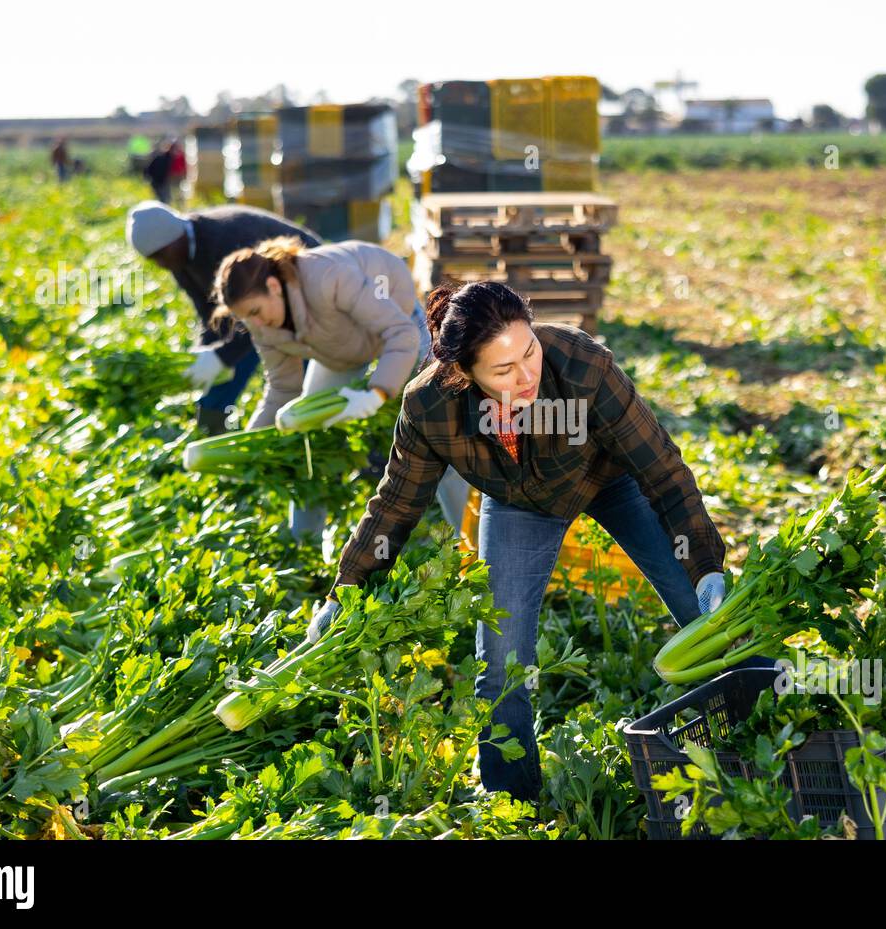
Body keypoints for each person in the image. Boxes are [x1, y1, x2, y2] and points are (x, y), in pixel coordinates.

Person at [310, 281, 739, 802]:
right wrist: (346, 588)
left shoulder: (583, 364)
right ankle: (509, 801)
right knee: (501, 657)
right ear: (464, 373)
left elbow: (664, 472)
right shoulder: (430, 407)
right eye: (503, 370)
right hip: (520, 504)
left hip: (610, 477)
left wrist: (705, 562)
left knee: (706, 613)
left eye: (529, 351)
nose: (527, 374)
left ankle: (771, 727)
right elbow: (396, 506)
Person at [210, 237, 470, 554]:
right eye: (246, 318)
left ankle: (475, 546)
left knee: (437, 431)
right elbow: (283, 388)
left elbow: (398, 334)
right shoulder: (261, 324)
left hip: (397, 321)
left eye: (256, 311)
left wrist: (376, 393)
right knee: (309, 437)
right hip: (341, 350)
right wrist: (250, 444)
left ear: (273, 286)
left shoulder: (327, 276)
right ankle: (303, 546)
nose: (256, 323)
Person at [125, 200, 322, 434]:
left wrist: (221, 356)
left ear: (175, 237)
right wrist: (205, 354)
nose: (161, 264)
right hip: (261, 308)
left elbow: (256, 308)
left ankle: (324, 440)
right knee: (216, 389)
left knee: (310, 382)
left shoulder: (227, 236)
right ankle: (214, 438)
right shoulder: (178, 259)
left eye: (161, 254)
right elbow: (210, 314)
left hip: (304, 288)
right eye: (153, 260)